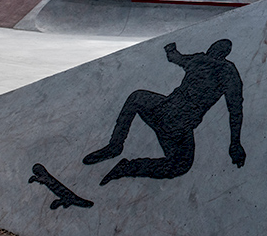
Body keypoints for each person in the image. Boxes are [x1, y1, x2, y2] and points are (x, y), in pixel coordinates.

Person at [83, 40, 245, 183]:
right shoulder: (226, 71)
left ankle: (115, 146)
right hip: (179, 127)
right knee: (180, 166)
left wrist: (170, 49)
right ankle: (126, 166)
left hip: (162, 110)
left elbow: (176, 58)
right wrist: (235, 143)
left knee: (137, 97)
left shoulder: (200, 61)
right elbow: (235, 111)